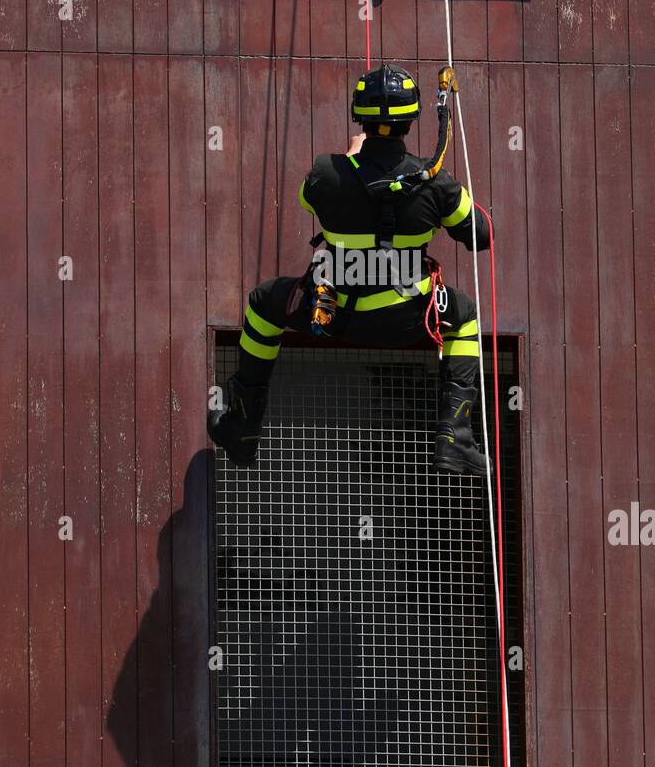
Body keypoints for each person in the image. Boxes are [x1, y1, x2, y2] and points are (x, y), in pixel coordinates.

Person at [207, 65, 492, 475]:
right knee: (463, 315)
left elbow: (311, 200)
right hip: (409, 319)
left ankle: (244, 427)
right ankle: (454, 437)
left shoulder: (327, 172)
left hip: (333, 316)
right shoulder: (434, 181)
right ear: (411, 120)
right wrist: (446, 190)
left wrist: (353, 158)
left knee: (262, 304)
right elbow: (482, 234)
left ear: (359, 117)